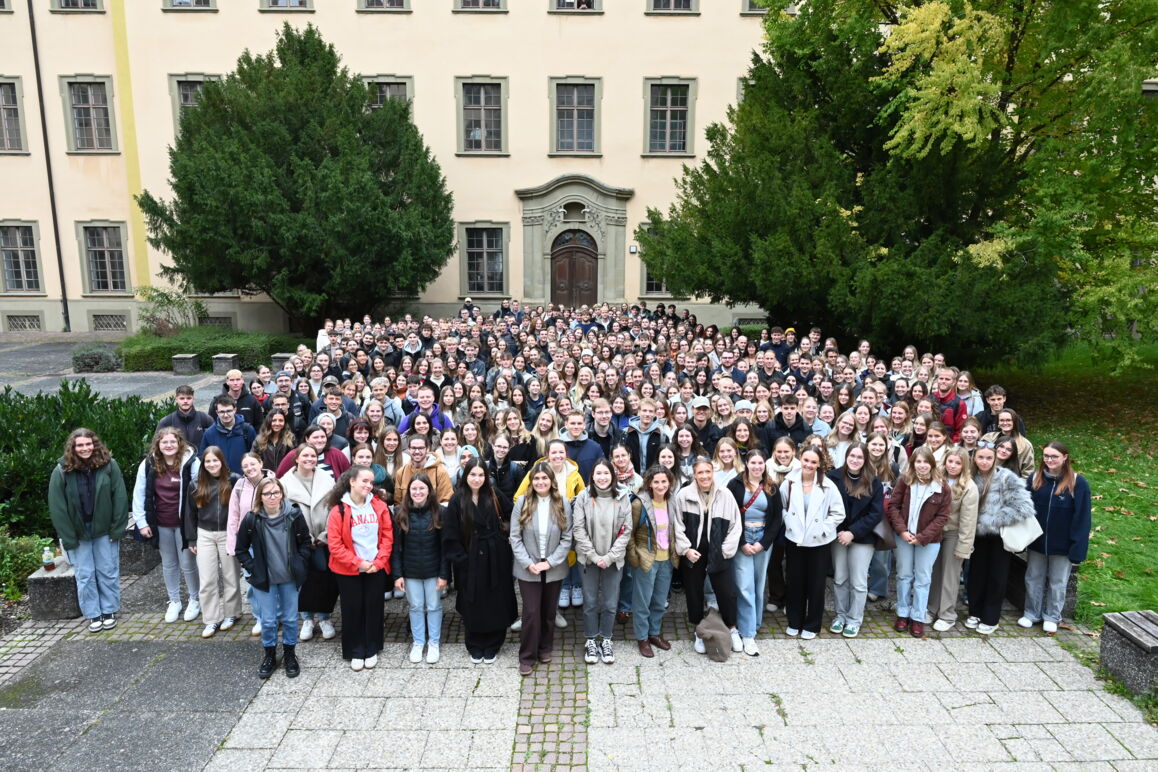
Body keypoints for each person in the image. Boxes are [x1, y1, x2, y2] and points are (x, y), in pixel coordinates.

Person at [48, 428, 129, 633]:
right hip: (78, 534)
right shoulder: (61, 471)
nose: (85, 448)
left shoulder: (109, 465)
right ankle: (93, 614)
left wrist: (116, 529)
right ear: (73, 448)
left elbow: (119, 498)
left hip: (104, 531)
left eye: (88, 444)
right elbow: (57, 507)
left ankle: (109, 610)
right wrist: (68, 538)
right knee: (85, 575)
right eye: (80, 445)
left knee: (107, 571)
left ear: (95, 444)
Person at [235, 477, 311, 679]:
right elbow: (240, 549)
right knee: (268, 621)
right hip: (264, 579)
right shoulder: (252, 519)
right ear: (260, 496)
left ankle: (289, 654)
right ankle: (269, 654)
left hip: (289, 577)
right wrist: (253, 568)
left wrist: (301, 562)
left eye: (276, 492)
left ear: (282, 494)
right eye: (267, 493)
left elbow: (305, 541)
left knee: (290, 619)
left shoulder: (293, 515)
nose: (272, 497)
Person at [443, 458, 518, 663]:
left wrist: (507, 539)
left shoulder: (494, 494)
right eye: (472, 474)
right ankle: (475, 643)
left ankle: (494, 643)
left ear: (486, 477)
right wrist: (462, 560)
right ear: (466, 476)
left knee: (496, 601)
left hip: (496, 558)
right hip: (470, 559)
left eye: (480, 475)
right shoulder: (457, 500)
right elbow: (450, 535)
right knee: (472, 601)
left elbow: (513, 513)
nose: (476, 479)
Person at [1019, 441, 1092, 634]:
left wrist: (1077, 547)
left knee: (1058, 582)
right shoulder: (1034, 478)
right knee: (1033, 577)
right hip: (1037, 541)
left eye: (1054, 456)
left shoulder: (1078, 483)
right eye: (1046, 456)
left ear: (1065, 458)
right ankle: (1031, 613)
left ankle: (1052, 616)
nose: (1049, 460)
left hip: (1063, 545)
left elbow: (1082, 518)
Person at [327, 466, 394, 671]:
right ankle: (355, 650)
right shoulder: (338, 509)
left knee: (374, 608)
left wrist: (378, 562)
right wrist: (359, 563)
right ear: (352, 481)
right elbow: (335, 545)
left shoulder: (379, 506)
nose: (368, 485)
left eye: (371, 482)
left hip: (375, 567)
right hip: (349, 570)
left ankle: (372, 647)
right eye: (364, 481)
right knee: (352, 609)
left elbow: (387, 537)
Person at [131, 427, 201, 624]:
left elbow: (201, 493)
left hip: (185, 524)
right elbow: (139, 494)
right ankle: (174, 600)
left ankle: (194, 599)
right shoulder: (148, 464)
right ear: (158, 445)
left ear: (179, 443)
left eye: (173, 441)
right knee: (169, 564)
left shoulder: (192, 462)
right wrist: (142, 522)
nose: (169, 445)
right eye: (164, 442)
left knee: (188, 564)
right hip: (160, 523)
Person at [510, 460, 574, 676]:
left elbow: (567, 538)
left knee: (548, 611)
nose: (540, 481)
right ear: (531, 481)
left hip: (553, 566)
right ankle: (527, 656)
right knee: (531, 612)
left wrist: (551, 561)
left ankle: (545, 647)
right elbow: (514, 537)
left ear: (551, 480)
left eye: (544, 478)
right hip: (528, 568)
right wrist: (528, 563)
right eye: (536, 478)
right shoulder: (523, 502)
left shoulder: (563, 503)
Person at [674, 456, 742, 653]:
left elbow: (735, 525)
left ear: (713, 473)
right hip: (693, 553)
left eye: (707, 472)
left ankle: (732, 628)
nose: (704, 476)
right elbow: (677, 526)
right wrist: (686, 549)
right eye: (700, 473)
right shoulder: (683, 495)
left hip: (718, 552)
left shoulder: (725, 494)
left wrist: (725, 550)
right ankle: (698, 630)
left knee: (726, 592)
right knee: (694, 593)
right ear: (694, 475)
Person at [966, 442, 1035, 634]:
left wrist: (994, 521)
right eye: (980, 457)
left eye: (989, 458)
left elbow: (1024, 507)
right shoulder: (970, 477)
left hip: (999, 535)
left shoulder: (1006, 477)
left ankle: (991, 616)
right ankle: (975, 612)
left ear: (995, 458)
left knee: (997, 575)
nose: (984, 461)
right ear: (974, 458)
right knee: (976, 574)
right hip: (976, 536)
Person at [886, 446, 952, 638]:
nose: (922, 466)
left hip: (929, 541)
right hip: (904, 537)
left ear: (932, 464)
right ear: (913, 464)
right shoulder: (905, 481)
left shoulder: (942, 487)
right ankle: (903, 613)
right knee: (904, 576)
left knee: (923, 579)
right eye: (918, 462)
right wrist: (902, 530)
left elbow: (942, 517)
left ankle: (918, 617)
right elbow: (893, 506)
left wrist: (922, 537)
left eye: (925, 462)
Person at [572, 459, 633, 666]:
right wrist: (594, 556)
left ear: (612, 475)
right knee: (589, 602)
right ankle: (590, 640)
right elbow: (578, 529)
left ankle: (606, 639)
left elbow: (626, 530)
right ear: (592, 475)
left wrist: (608, 557)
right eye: (598, 473)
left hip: (613, 561)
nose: (602, 477)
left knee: (609, 603)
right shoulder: (583, 497)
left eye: (606, 473)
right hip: (588, 560)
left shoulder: (622, 497)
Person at [779, 446, 844, 639]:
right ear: (800, 459)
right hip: (795, 539)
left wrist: (823, 528)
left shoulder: (828, 485)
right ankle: (794, 621)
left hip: (819, 542)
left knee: (816, 584)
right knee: (794, 582)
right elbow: (781, 506)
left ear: (819, 464)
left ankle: (812, 624)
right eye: (806, 460)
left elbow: (838, 512)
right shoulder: (789, 482)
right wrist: (789, 522)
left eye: (813, 462)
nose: (808, 465)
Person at [280, 443, 338, 643]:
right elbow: (283, 514)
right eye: (305, 455)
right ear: (296, 458)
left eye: (313, 456)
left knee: (323, 576)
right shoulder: (285, 482)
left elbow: (334, 509)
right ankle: (306, 618)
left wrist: (325, 535)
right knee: (303, 578)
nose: (309, 459)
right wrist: (304, 537)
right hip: (300, 540)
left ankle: (324, 618)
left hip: (323, 538)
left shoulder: (327, 479)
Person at [727, 450, 783, 655]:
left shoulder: (771, 487)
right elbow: (729, 514)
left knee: (759, 585)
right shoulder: (734, 485)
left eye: (761, 463)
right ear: (746, 464)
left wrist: (764, 543)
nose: (757, 466)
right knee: (744, 586)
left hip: (762, 538)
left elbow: (777, 519)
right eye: (753, 462)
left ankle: (754, 624)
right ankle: (747, 633)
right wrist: (741, 542)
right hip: (742, 538)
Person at [826, 442, 884, 639]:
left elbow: (875, 514)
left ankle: (854, 619)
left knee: (858, 581)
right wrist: (841, 532)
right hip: (838, 535)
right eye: (852, 456)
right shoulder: (833, 477)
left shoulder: (873, 481)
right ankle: (840, 616)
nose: (855, 460)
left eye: (860, 457)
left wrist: (853, 532)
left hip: (863, 537)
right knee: (840, 578)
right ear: (846, 456)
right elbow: (828, 506)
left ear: (865, 459)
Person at [392, 473, 449, 664]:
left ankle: (433, 642)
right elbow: (397, 548)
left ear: (429, 491)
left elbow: (444, 548)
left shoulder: (439, 512)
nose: (418, 492)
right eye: (414, 489)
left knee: (434, 606)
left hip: (433, 571)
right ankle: (418, 642)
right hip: (411, 572)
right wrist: (398, 574)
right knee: (415, 607)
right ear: (409, 491)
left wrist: (444, 574)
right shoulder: (401, 513)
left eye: (421, 488)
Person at [185, 446, 240, 638]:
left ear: (222, 461)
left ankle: (232, 613)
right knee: (207, 579)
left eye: (215, 460)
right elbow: (189, 513)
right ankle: (211, 619)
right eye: (207, 461)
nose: (211, 464)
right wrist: (191, 537)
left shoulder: (234, 480)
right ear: (203, 464)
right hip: (205, 533)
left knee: (230, 575)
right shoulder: (195, 484)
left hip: (227, 532)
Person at [928, 447, 978, 631]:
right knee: (934, 572)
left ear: (964, 465)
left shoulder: (969, 488)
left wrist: (964, 547)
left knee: (950, 575)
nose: (953, 466)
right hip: (934, 533)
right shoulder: (936, 478)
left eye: (958, 463)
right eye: (950, 461)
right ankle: (932, 608)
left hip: (953, 534)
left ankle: (947, 614)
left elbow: (968, 521)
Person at [227, 452, 274, 636]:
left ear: (261, 463)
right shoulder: (239, 485)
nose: (249, 468)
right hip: (248, 543)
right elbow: (233, 515)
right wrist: (233, 544)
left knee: (273, 580)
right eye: (245, 466)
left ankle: (274, 616)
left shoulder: (273, 482)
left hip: (270, 541)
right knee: (252, 582)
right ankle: (260, 617)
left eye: (253, 464)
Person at [200, 395, 256, 472]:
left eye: (229, 411)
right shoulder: (209, 433)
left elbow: (255, 456)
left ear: (235, 410)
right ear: (217, 412)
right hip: (219, 479)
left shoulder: (247, 430)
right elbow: (203, 457)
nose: (226, 415)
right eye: (222, 412)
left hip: (243, 478)